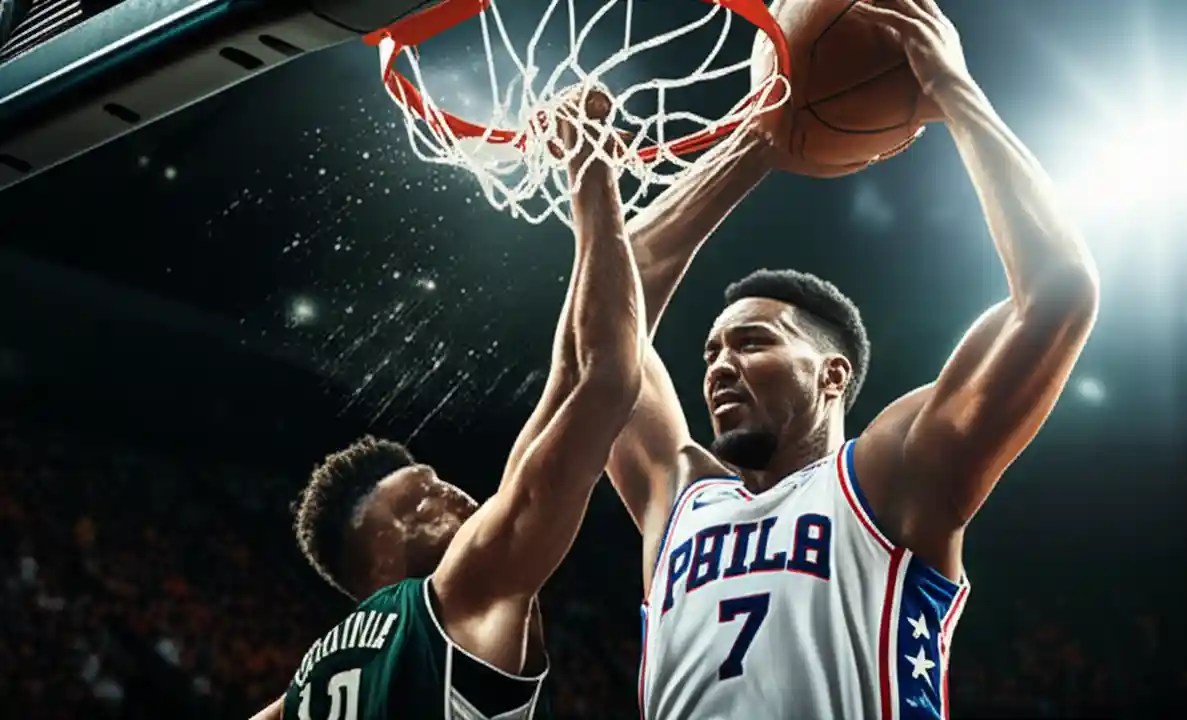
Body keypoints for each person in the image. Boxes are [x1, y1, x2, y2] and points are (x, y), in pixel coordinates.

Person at [606, 1, 1101, 718]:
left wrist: (953, 89)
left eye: (753, 341)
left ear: (831, 375)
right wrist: (758, 136)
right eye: (711, 348)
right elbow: (615, 300)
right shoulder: (676, 492)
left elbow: (1057, 295)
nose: (717, 364)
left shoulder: (891, 473)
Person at [250, 89, 646, 720]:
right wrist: (589, 164)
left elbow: (569, 376)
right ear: (380, 556)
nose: (453, 496)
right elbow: (607, 382)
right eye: (419, 503)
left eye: (434, 484)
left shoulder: (305, 686)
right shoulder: (460, 591)